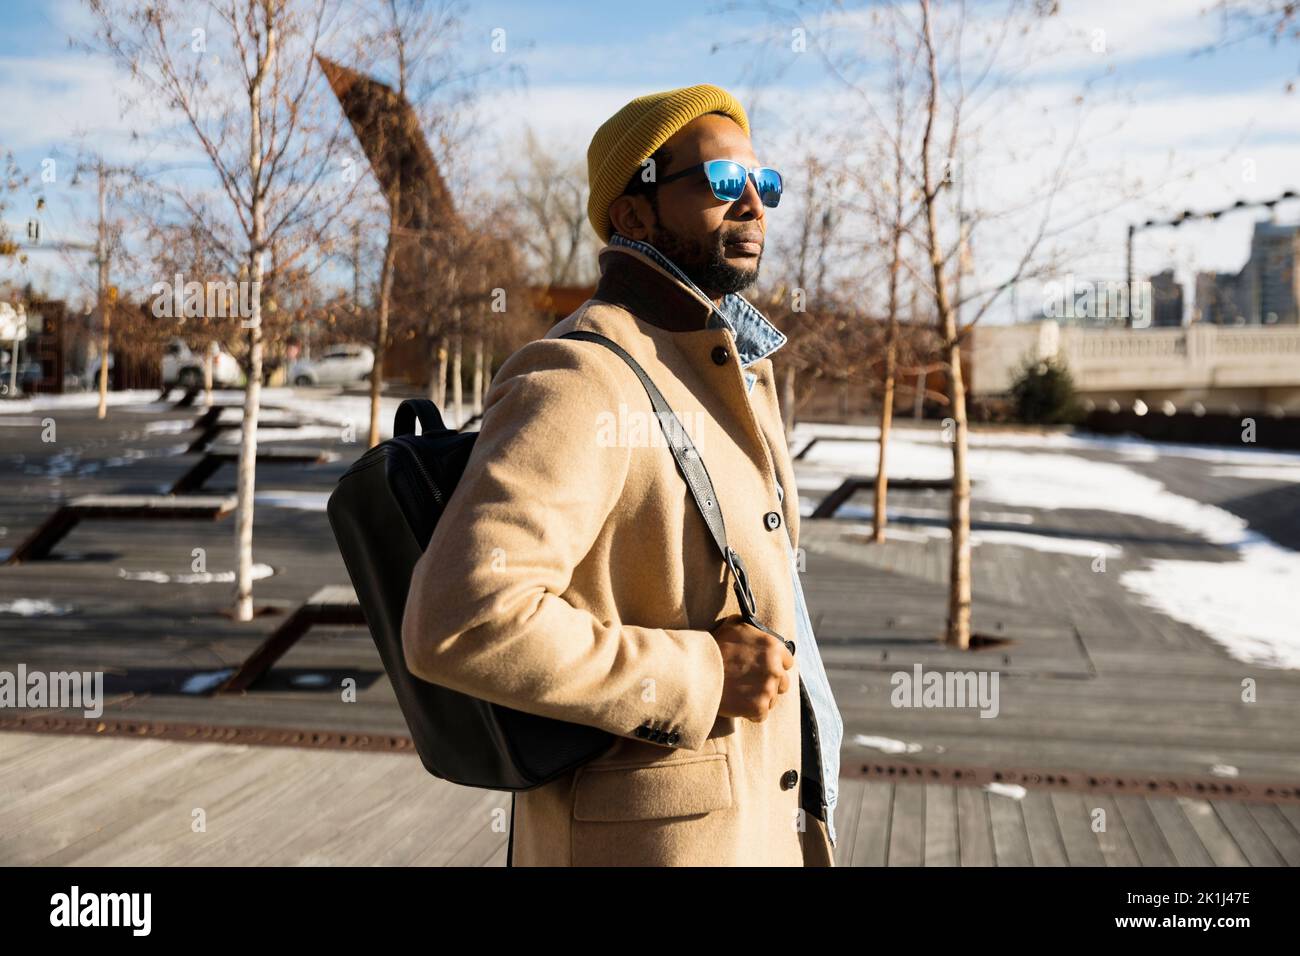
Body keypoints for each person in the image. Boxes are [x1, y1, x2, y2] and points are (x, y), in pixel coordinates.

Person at [401, 83, 843, 866]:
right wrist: (699, 674)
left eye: (762, 184)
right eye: (718, 183)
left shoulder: (723, 368)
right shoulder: (582, 377)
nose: (752, 205)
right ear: (632, 213)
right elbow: (462, 618)